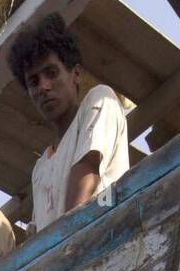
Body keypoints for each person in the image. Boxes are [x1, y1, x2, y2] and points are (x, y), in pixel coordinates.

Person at [8, 13, 129, 234]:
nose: (43, 86)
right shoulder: (41, 167)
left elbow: (88, 170)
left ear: (76, 74)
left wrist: (63, 244)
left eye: (51, 73)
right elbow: (36, 234)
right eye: (33, 82)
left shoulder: (100, 100)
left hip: (104, 245)